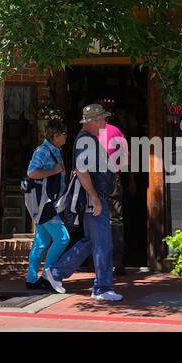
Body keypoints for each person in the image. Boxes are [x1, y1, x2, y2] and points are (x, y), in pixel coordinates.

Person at [46, 102, 122, 301]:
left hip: (92, 198)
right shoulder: (85, 141)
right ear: (95, 120)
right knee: (103, 244)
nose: (106, 121)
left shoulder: (87, 140)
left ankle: (55, 272)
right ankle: (102, 288)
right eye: (103, 118)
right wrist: (95, 198)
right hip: (93, 199)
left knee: (90, 241)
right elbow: (81, 171)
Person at [23, 115, 71, 291]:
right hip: (44, 203)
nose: (66, 136)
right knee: (63, 238)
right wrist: (54, 170)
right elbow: (31, 173)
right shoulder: (43, 151)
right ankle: (48, 275)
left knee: (41, 241)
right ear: (56, 134)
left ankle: (31, 278)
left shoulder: (55, 150)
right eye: (64, 134)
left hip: (49, 202)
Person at [97, 98, 128, 274]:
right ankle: (117, 262)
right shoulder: (116, 131)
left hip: (95, 180)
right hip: (113, 177)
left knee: (95, 220)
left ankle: (98, 262)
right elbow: (125, 159)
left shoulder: (89, 133)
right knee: (115, 220)